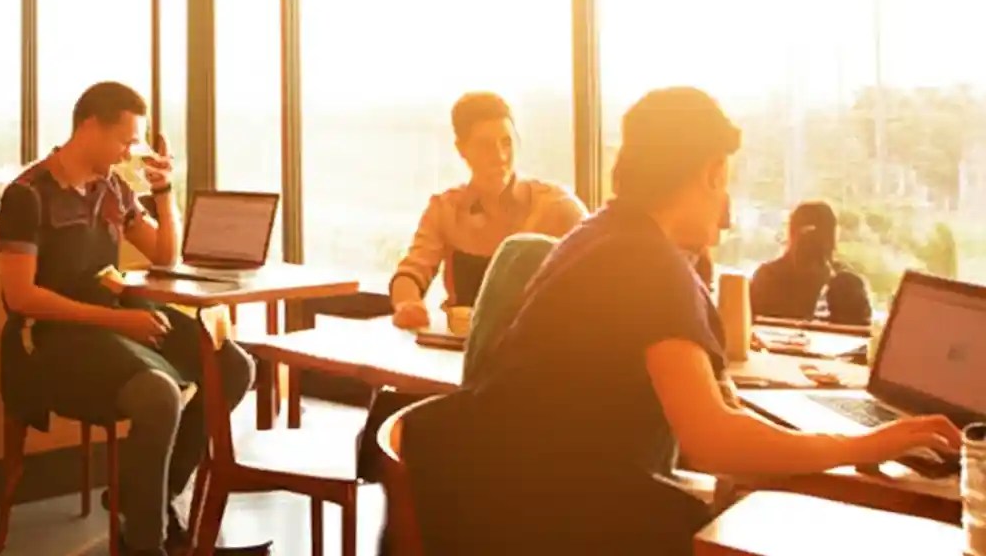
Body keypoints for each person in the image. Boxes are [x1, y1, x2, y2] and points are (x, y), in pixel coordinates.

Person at [397, 87, 961, 555]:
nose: (728, 212)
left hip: (503, 503)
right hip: (559, 524)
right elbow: (713, 442)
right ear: (709, 174)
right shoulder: (648, 261)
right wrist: (862, 445)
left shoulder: (597, 235)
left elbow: (681, 401)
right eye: (725, 181)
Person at [0, 82, 257, 556]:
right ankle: (146, 544)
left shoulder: (112, 189)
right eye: (125, 140)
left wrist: (163, 190)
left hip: (117, 318)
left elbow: (164, 253)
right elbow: (21, 297)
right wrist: (116, 323)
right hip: (54, 338)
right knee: (159, 394)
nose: (127, 153)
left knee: (234, 367)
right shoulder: (27, 195)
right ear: (90, 127)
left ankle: (143, 499)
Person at [389, 91, 588, 328]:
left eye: (506, 143)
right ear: (461, 149)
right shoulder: (445, 209)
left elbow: (596, 280)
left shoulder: (558, 207)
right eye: (485, 146)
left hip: (537, 344)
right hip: (461, 345)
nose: (500, 157)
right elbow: (411, 272)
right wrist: (408, 304)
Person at [750, 201, 873, 326]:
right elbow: (863, 331)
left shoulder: (767, 277)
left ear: (791, 234)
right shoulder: (850, 285)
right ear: (832, 237)